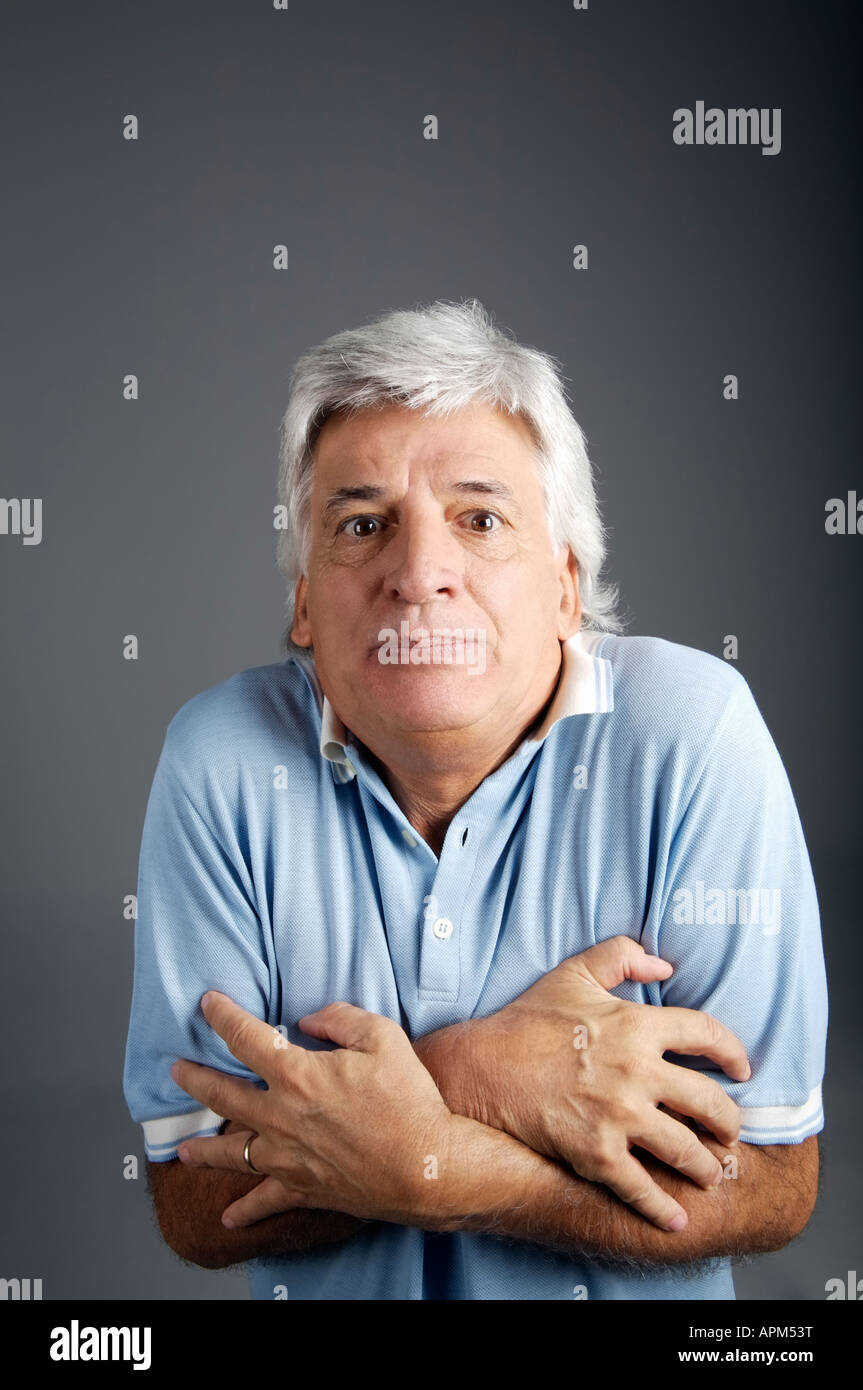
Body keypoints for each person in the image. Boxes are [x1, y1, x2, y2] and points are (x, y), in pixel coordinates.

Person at [123, 298, 826, 1300]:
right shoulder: (218, 761)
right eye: (362, 524)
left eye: (479, 518)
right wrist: (479, 1070)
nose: (418, 574)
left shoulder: (694, 735)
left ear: (563, 587)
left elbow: (771, 1180)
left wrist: (448, 1168)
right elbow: (190, 1196)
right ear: (303, 603)